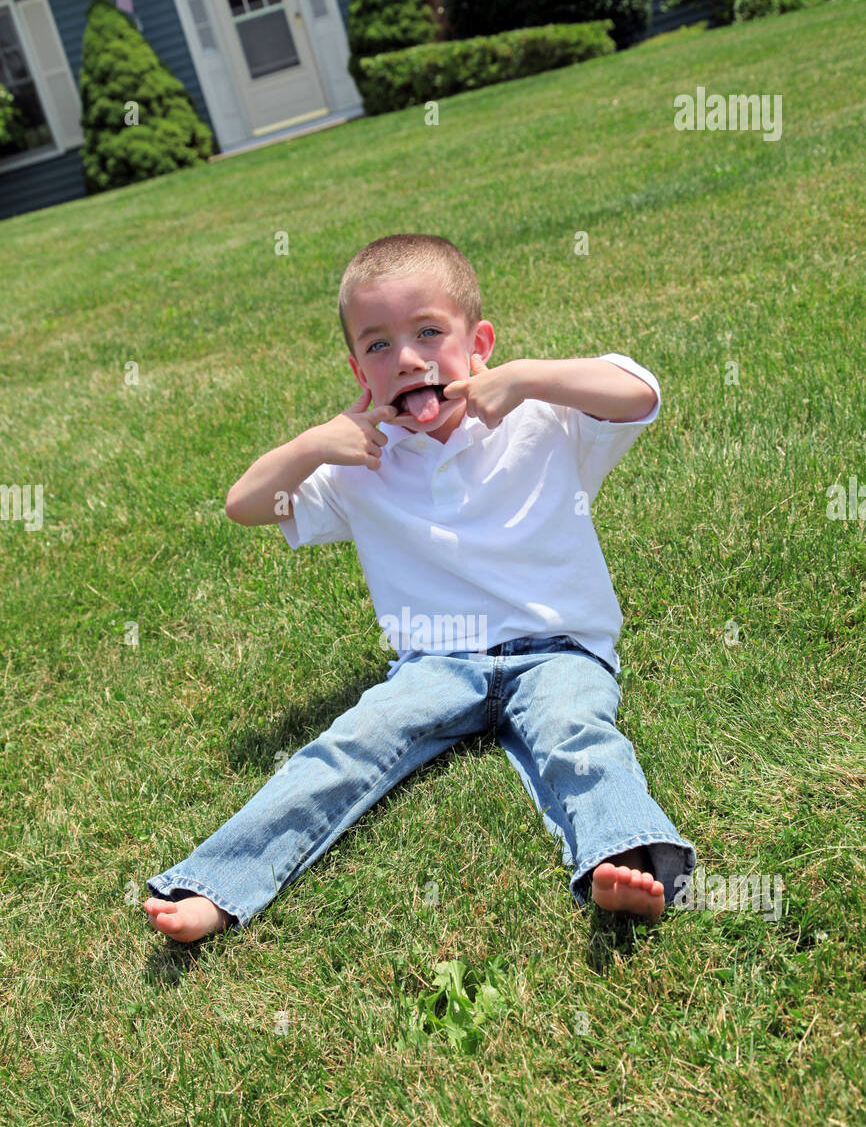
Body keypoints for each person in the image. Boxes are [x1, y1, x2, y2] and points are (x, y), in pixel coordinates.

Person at [144, 233, 696, 943]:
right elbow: (244, 504)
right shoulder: (358, 465)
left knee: (576, 735)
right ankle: (216, 887)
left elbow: (639, 392)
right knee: (350, 744)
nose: (405, 357)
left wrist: (525, 377)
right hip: (436, 664)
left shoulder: (545, 420)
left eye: (429, 332)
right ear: (357, 372)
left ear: (478, 344)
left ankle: (628, 858)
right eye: (378, 346)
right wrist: (315, 443)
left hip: (560, 651)